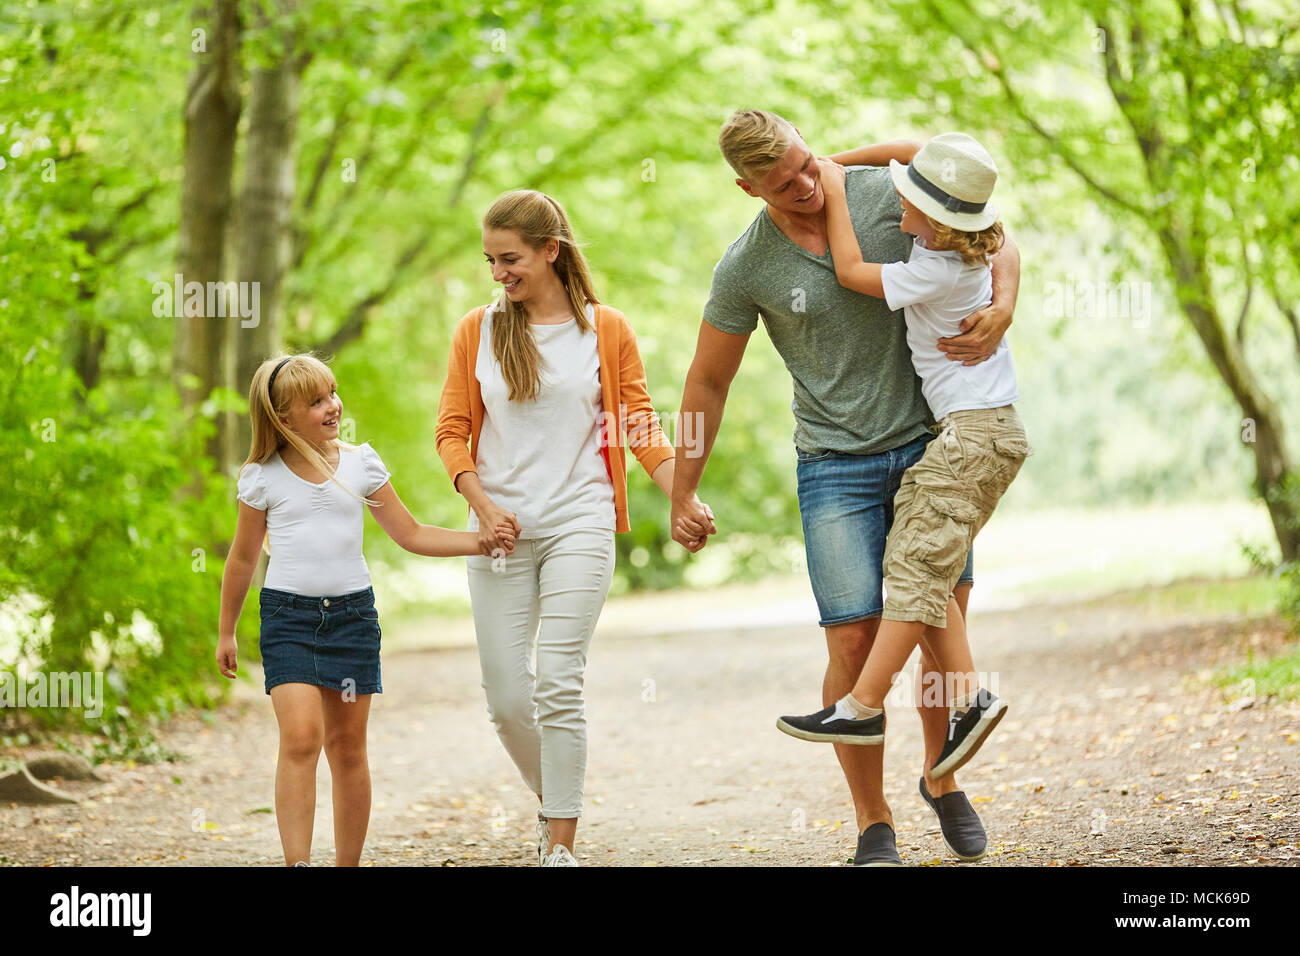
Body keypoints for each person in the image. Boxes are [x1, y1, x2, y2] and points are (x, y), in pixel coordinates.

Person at [670, 111, 1020, 865]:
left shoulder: (880, 196)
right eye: (781, 182)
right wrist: (682, 489)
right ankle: (873, 820)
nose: (803, 185)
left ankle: (944, 781)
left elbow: (988, 227)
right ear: (745, 188)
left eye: (805, 164)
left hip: (931, 442)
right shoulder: (748, 266)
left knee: (935, 616)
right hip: (834, 464)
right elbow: (706, 380)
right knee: (853, 637)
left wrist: (1005, 303)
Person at [435, 189, 714, 866]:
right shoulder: (478, 329)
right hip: (497, 531)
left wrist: (682, 494)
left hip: (578, 521)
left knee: (558, 676)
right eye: (491, 260)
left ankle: (561, 843)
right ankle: (553, 793)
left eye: (511, 259)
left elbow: (638, 423)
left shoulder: (605, 329)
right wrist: (482, 504)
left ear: (550, 251)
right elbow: (451, 433)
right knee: (506, 698)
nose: (499, 273)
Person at [776, 134, 1030, 786]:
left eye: (910, 204)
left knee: (914, 574)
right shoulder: (956, 234)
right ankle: (966, 698)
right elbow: (925, 149)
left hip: (972, 439)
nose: (897, 202)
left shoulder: (935, 266)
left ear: (943, 229)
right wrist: (838, 156)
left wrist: (832, 190)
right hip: (977, 435)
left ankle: (864, 707)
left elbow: (850, 273)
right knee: (921, 566)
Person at [217, 353, 507, 866]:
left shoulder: (361, 463)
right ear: (283, 418)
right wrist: (227, 632)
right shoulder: (262, 478)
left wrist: (479, 541)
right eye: (316, 401)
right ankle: (298, 863)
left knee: (347, 749)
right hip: (288, 620)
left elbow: (411, 534)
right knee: (302, 738)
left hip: (352, 619)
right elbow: (242, 559)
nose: (333, 406)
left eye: (332, 392)